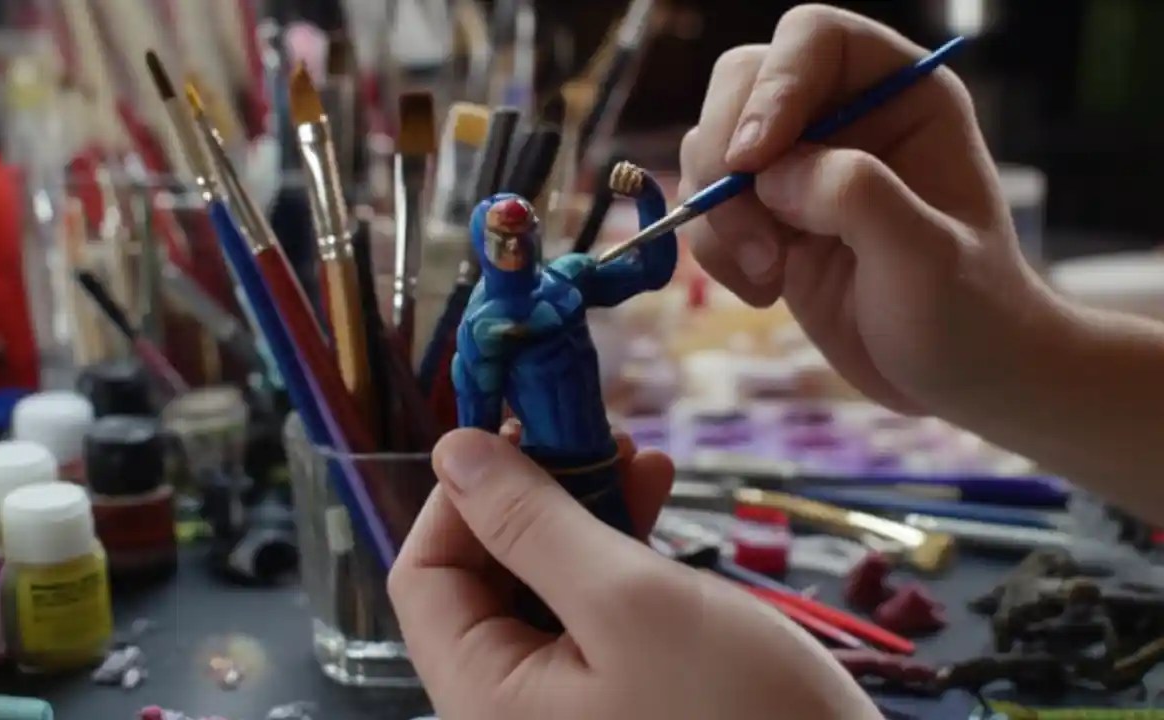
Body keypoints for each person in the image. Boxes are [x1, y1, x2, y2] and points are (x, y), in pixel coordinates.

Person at [388, 5, 1164, 718]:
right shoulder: (489, 323)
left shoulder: (562, 282)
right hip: (551, 473)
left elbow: (652, 271)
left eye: (524, 235)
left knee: (611, 624)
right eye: (506, 240)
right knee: (566, 620)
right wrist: (1021, 353)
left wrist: (652, 204)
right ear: (490, 247)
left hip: (593, 463)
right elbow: (471, 417)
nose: (518, 248)